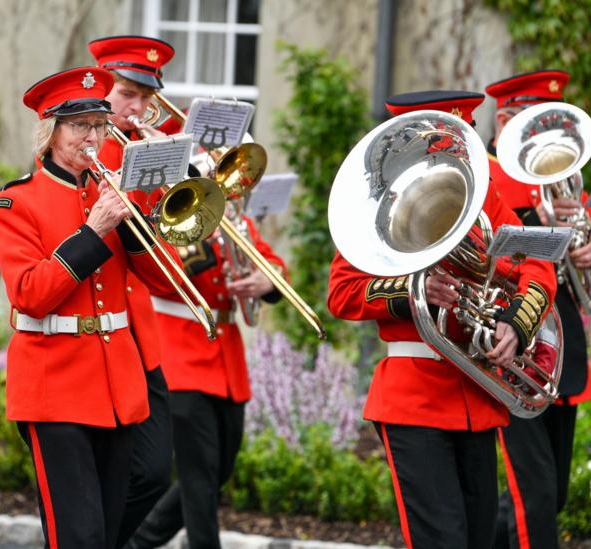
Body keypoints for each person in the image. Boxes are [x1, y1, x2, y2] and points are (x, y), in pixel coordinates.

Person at [327, 90, 558, 549]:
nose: (451, 156)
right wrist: (415, 290)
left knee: (476, 538)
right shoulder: (378, 215)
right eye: (439, 146)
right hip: (413, 396)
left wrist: (517, 319)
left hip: (476, 396)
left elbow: (536, 260)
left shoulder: (484, 198)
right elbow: (342, 293)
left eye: (458, 143)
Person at [0, 66, 179, 549]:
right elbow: (29, 293)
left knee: (109, 531)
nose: (91, 136)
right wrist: (93, 232)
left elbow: (164, 281)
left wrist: (135, 228)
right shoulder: (15, 202)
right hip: (53, 385)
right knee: (80, 536)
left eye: (98, 125)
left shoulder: (111, 194)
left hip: (115, 383)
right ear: (51, 132)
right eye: (79, 126)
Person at [124, 180, 287, 548]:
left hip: (227, 360)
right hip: (182, 355)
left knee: (218, 471)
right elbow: (167, 275)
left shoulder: (236, 219)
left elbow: (270, 260)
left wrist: (266, 279)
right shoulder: (171, 211)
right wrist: (208, 230)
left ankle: (138, 541)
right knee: (200, 479)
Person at [485, 69, 591, 549]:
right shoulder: (486, 178)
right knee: (535, 495)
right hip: (515, 344)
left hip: (563, 347)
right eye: (535, 124)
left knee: (553, 495)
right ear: (505, 120)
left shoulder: (567, 182)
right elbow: (490, 259)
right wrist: (544, 234)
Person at [87, 34, 177, 547]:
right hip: (93, 334)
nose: (139, 108)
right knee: (109, 474)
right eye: (127, 94)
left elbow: (163, 265)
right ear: (102, 91)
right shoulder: (80, 148)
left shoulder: (148, 153)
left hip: (137, 336)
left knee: (150, 475)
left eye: (146, 98)